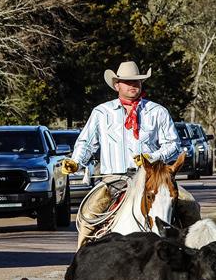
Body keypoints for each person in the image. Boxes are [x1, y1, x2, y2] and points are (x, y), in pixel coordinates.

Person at [62, 61, 198, 232]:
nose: (133, 85)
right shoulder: (101, 113)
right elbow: (86, 143)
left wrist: (152, 157)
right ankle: (83, 248)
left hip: (152, 179)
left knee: (190, 207)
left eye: (137, 81)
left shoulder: (158, 112)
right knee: (88, 216)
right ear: (117, 85)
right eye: (127, 81)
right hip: (114, 180)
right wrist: (76, 162)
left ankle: (194, 246)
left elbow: (173, 145)